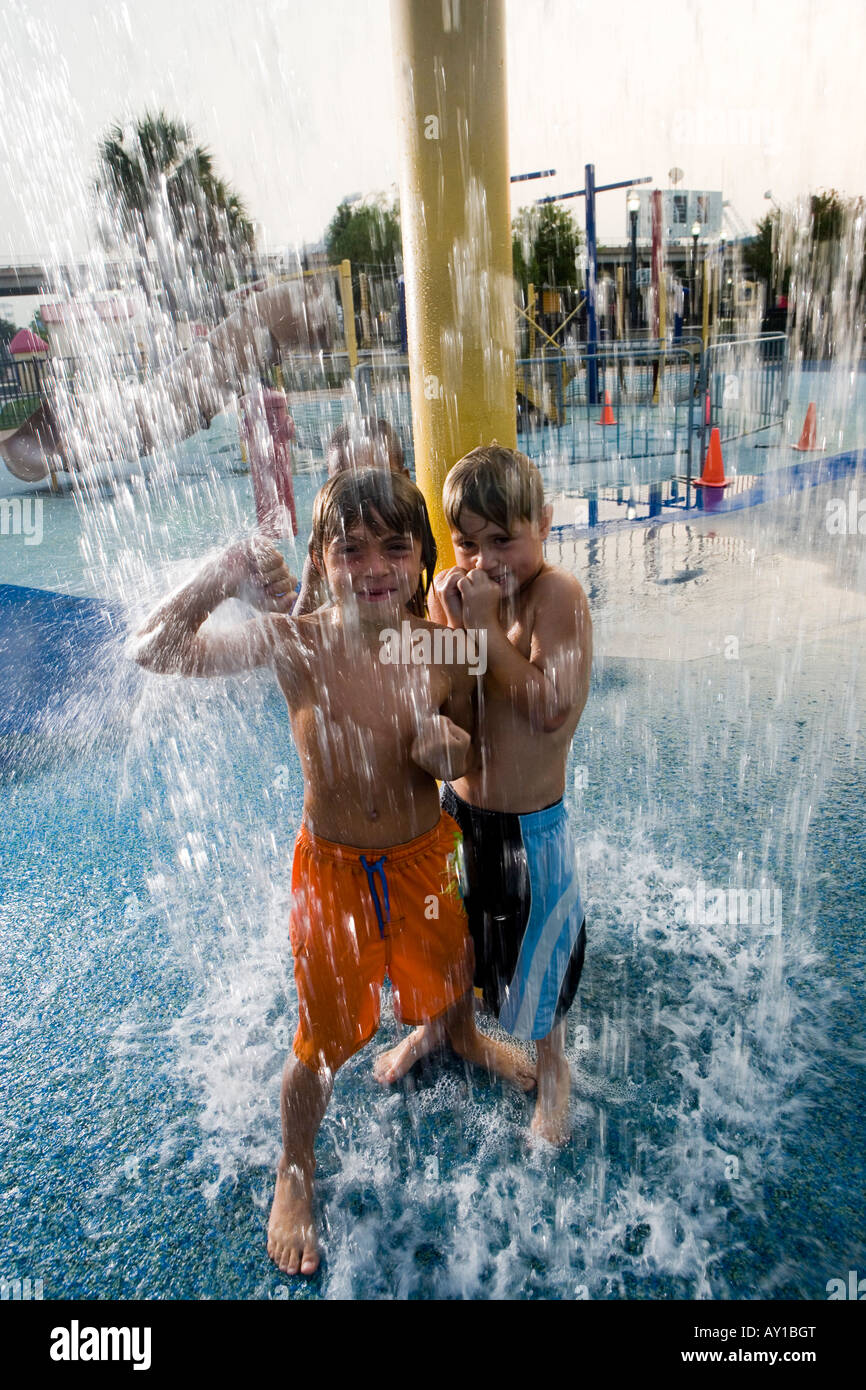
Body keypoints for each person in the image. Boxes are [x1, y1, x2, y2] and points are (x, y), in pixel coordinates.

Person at [132, 467, 532, 1276]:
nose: (374, 566)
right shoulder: (298, 640)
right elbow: (154, 650)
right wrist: (223, 572)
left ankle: (453, 1035)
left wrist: (447, 748)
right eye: (350, 550)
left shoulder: (442, 645)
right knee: (317, 1040)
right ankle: (295, 1171)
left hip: (425, 858)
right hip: (335, 871)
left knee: (451, 966)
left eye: (394, 547)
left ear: (419, 557)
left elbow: (474, 743)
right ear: (318, 560)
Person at [375, 444, 592, 1145]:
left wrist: (487, 633)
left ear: (546, 525)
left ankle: (552, 1068)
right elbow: (456, 704)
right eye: (467, 543)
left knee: (537, 957)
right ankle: (448, 1026)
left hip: (532, 828)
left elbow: (550, 708)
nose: (485, 559)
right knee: (453, 938)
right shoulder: (458, 597)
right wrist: (437, 645)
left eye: (505, 539)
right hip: (461, 815)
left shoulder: (558, 598)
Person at [293, 417, 409, 616]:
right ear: (328, 489)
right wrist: (311, 582)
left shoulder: (414, 535)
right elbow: (299, 635)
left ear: (406, 481)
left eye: (378, 481)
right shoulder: (329, 549)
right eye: (344, 484)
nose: (362, 496)